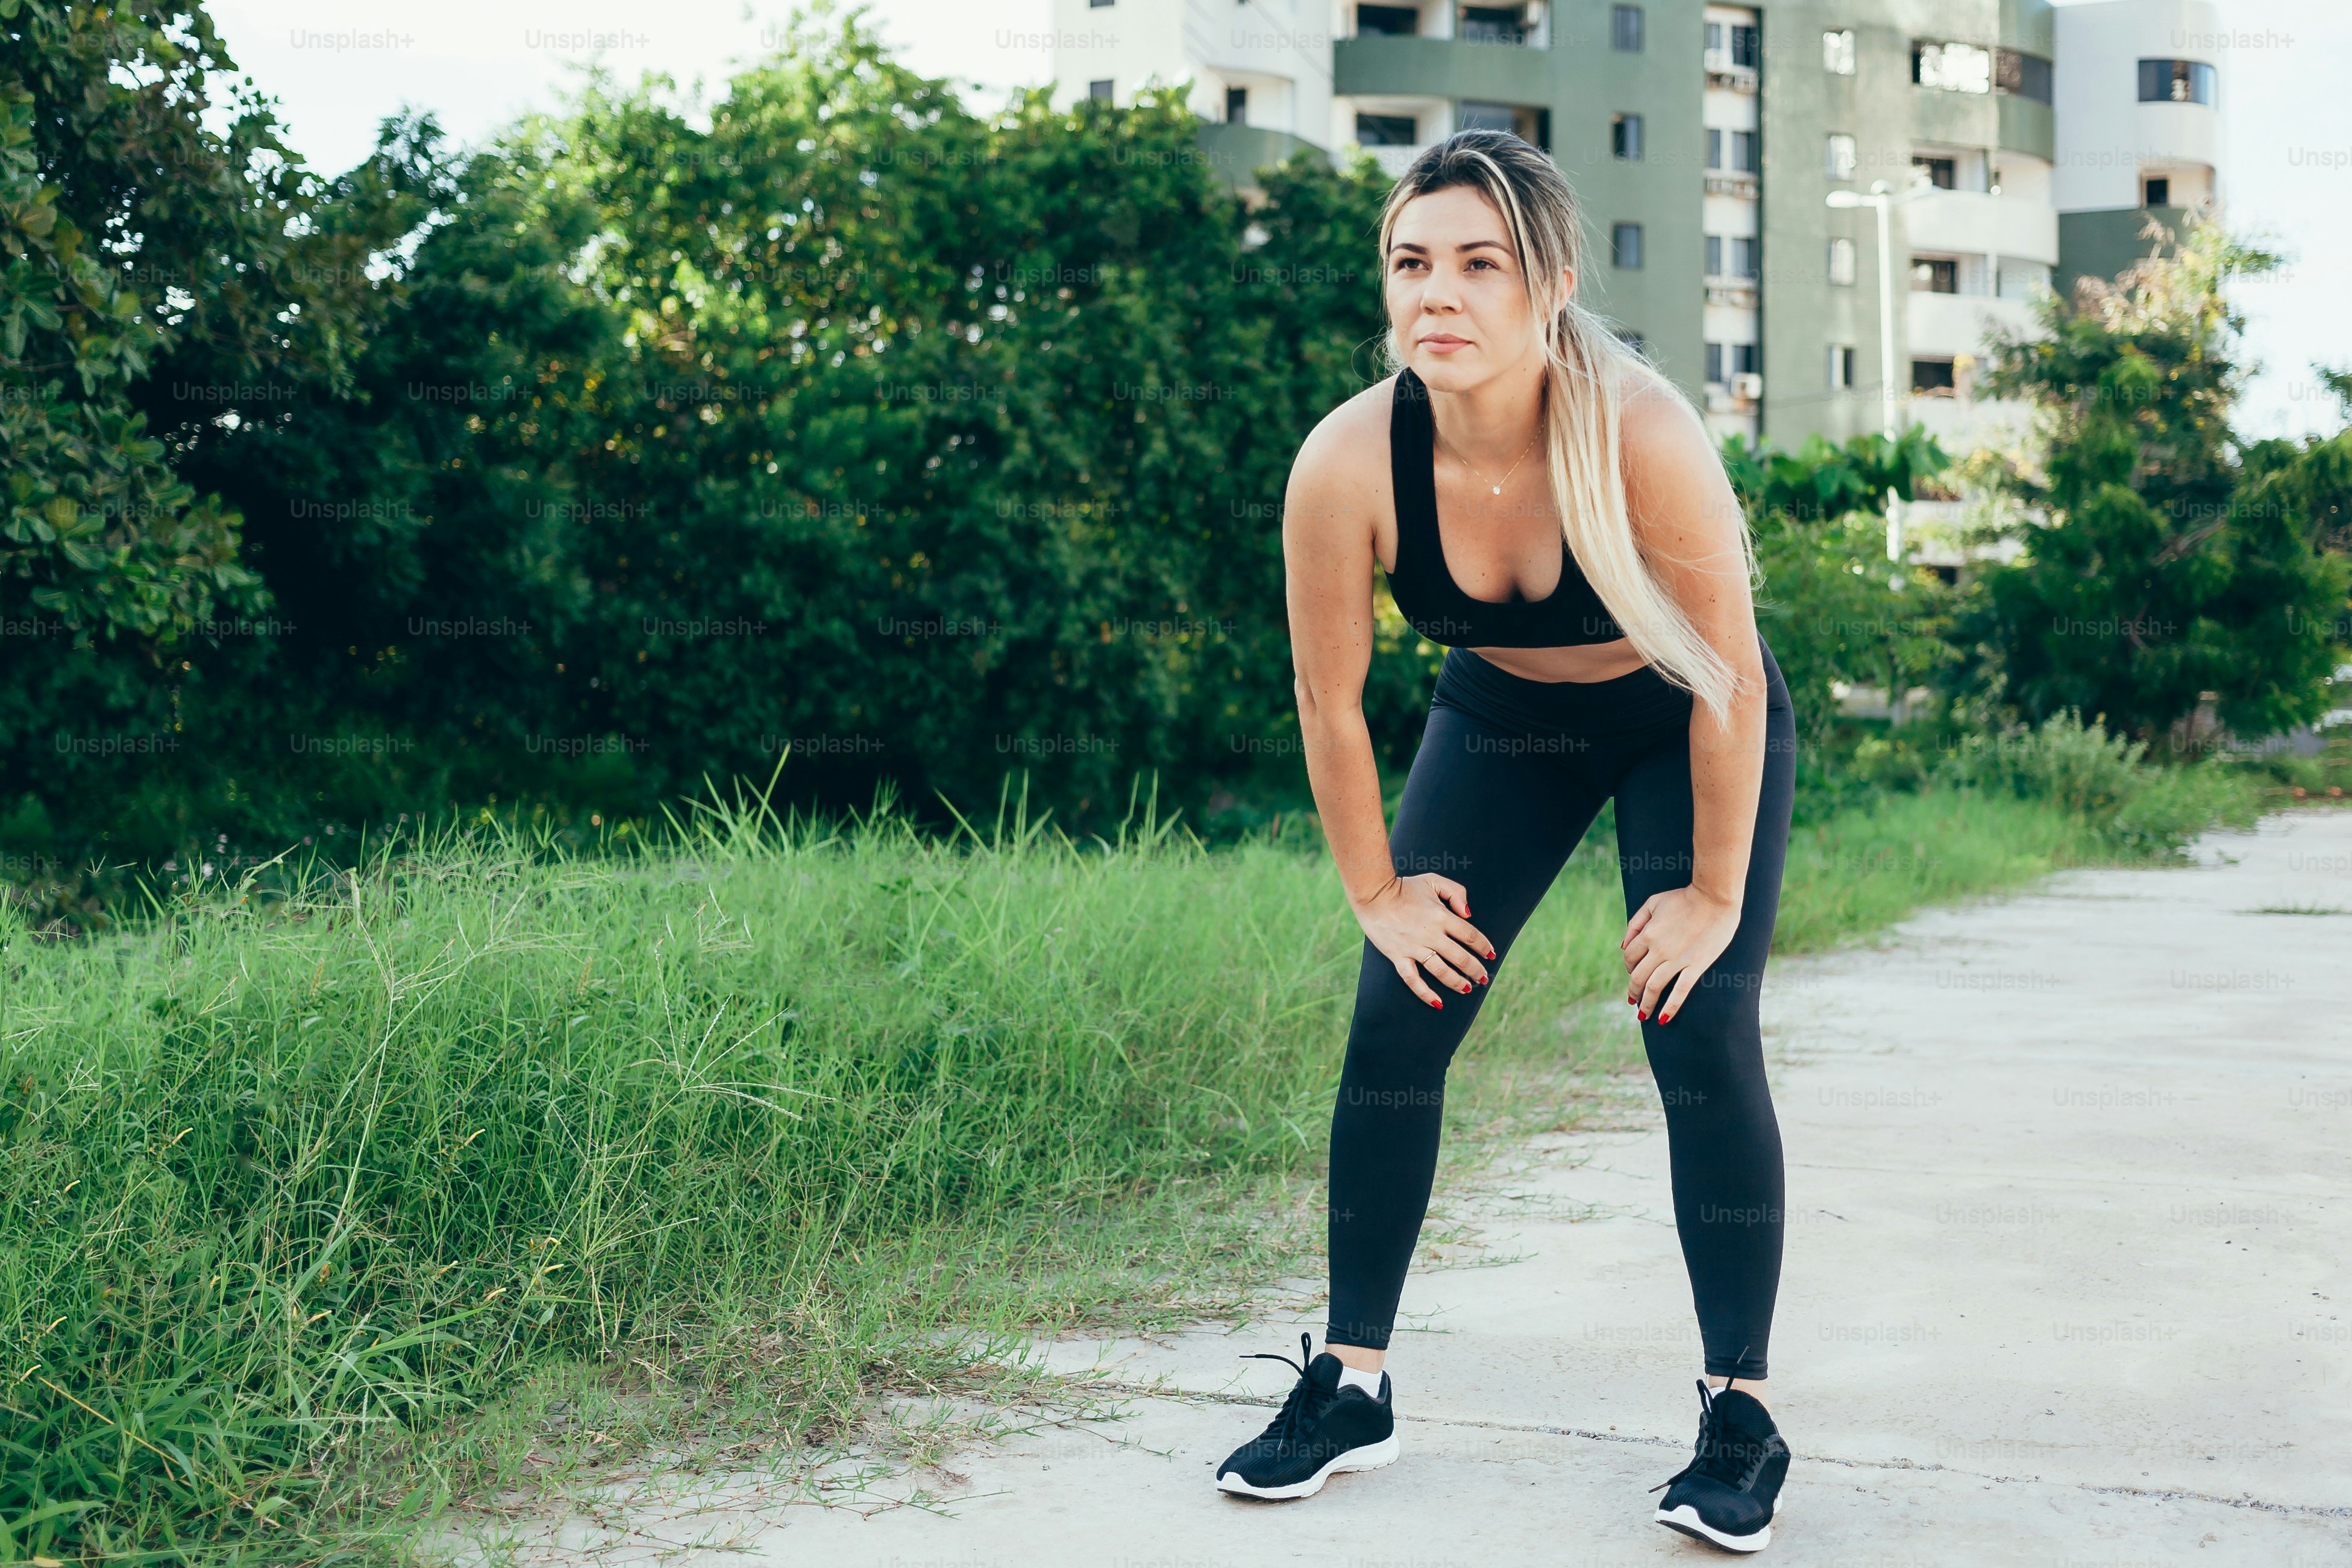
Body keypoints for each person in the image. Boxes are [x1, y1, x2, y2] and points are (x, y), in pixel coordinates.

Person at [1211, 130, 1796, 1553]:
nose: (1440, 294)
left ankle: (1738, 1413)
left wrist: (1712, 891)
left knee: (1695, 1021)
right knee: (1397, 1014)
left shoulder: (1639, 430)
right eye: (1413, 262)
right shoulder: (1348, 458)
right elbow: (1326, 698)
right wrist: (1375, 887)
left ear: (1548, 283)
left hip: (1683, 720)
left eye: (1479, 264)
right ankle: (1350, 1383)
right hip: (1499, 725)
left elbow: (1722, 676)